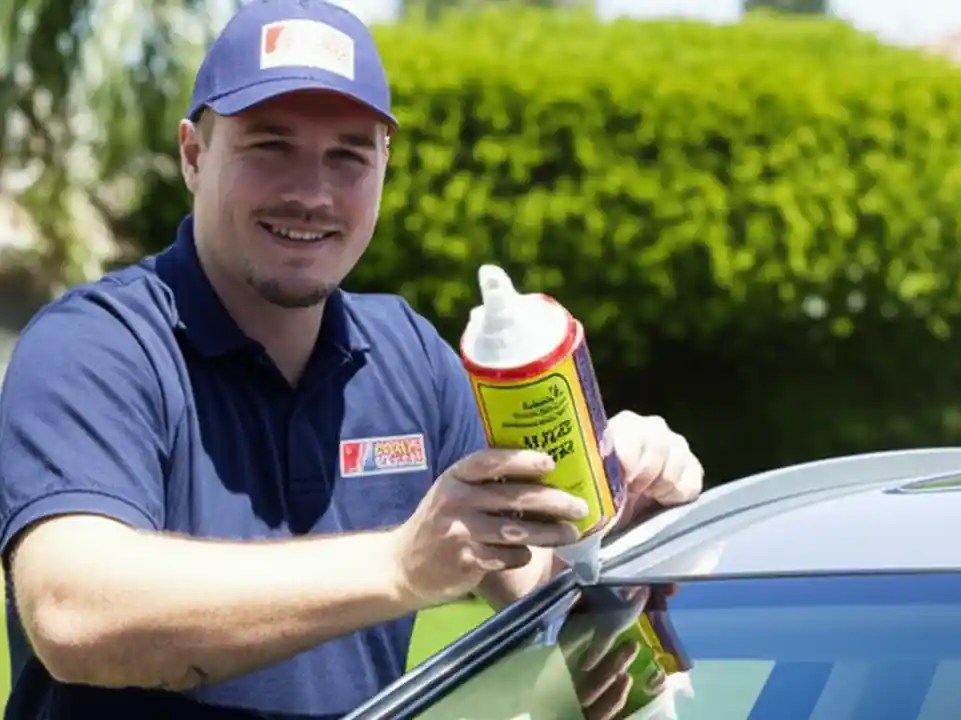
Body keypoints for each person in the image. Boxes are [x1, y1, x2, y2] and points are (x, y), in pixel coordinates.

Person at [0, 0, 704, 717]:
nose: (311, 193)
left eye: (348, 155)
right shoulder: (97, 346)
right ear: (193, 154)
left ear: (384, 166)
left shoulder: (408, 357)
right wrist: (401, 566)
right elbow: (74, 614)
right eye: (270, 146)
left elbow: (535, 577)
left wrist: (622, 513)